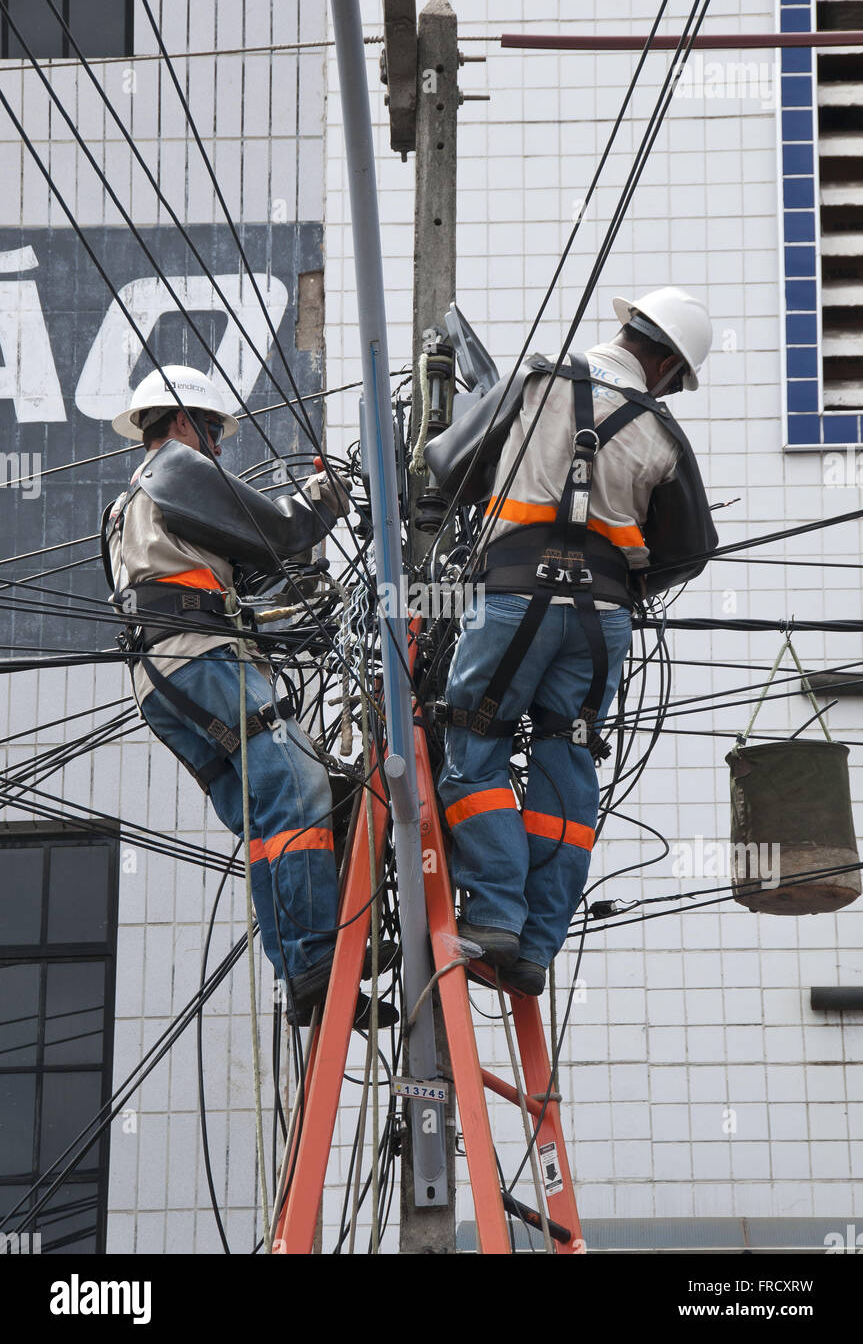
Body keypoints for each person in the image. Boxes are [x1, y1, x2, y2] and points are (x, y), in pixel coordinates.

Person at [428, 288, 717, 995]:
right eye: (674, 380)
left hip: (510, 600)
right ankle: (531, 949)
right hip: (602, 621)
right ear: (662, 365)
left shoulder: (533, 383)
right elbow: (690, 549)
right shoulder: (662, 436)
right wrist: (620, 583)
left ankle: (493, 913)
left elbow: (445, 466)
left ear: (627, 330)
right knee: (568, 761)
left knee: (476, 742)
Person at [102, 363, 390, 1026]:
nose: (219, 445)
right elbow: (281, 532)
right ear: (177, 423)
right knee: (298, 789)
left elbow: (256, 569)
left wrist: (303, 580)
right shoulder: (174, 466)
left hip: (164, 682)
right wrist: (325, 497)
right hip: (203, 662)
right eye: (210, 428)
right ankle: (316, 959)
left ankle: (302, 968)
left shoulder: (131, 506)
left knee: (271, 815)